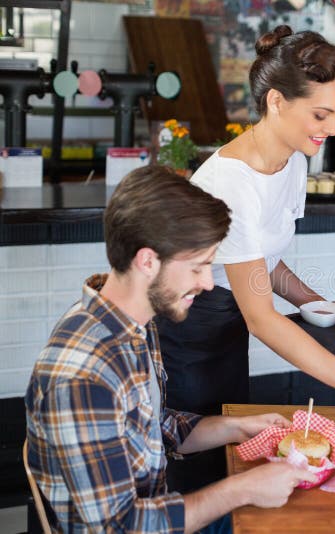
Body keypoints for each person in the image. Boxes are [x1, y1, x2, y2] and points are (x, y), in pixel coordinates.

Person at [154, 25, 335, 484]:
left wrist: (325, 308)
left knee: (230, 462)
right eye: (320, 115)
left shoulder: (294, 160)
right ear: (276, 102)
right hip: (186, 343)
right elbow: (261, 318)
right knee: (196, 475)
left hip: (228, 335)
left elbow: (266, 263)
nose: (332, 129)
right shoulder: (231, 184)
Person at [24, 166, 316, 533]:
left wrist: (239, 427)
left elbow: (155, 426)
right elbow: (120, 527)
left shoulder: (132, 325)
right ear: (148, 261)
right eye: (198, 268)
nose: (208, 284)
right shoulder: (83, 376)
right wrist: (241, 489)